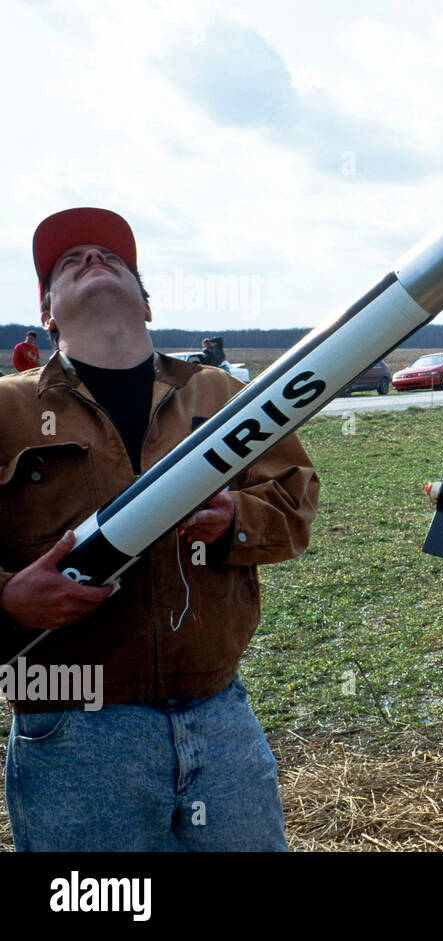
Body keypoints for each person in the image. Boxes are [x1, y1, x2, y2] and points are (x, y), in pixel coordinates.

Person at [0, 207, 319, 851]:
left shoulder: (220, 396)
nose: (94, 260)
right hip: (70, 724)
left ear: (145, 305)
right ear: (48, 314)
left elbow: (296, 502)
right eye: (70, 262)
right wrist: (5, 595)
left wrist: (238, 520)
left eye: (112, 257)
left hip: (218, 710)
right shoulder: (6, 409)